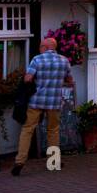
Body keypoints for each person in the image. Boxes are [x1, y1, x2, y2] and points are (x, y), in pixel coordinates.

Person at [13, 37, 74, 176]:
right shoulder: (64, 60)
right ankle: (53, 162)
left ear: (46, 47)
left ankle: (20, 162)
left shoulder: (37, 59)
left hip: (37, 101)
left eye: (41, 46)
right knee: (53, 130)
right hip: (54, 102)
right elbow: (70, 80)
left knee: (28, 129)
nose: (39, 48)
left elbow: (27, 78)